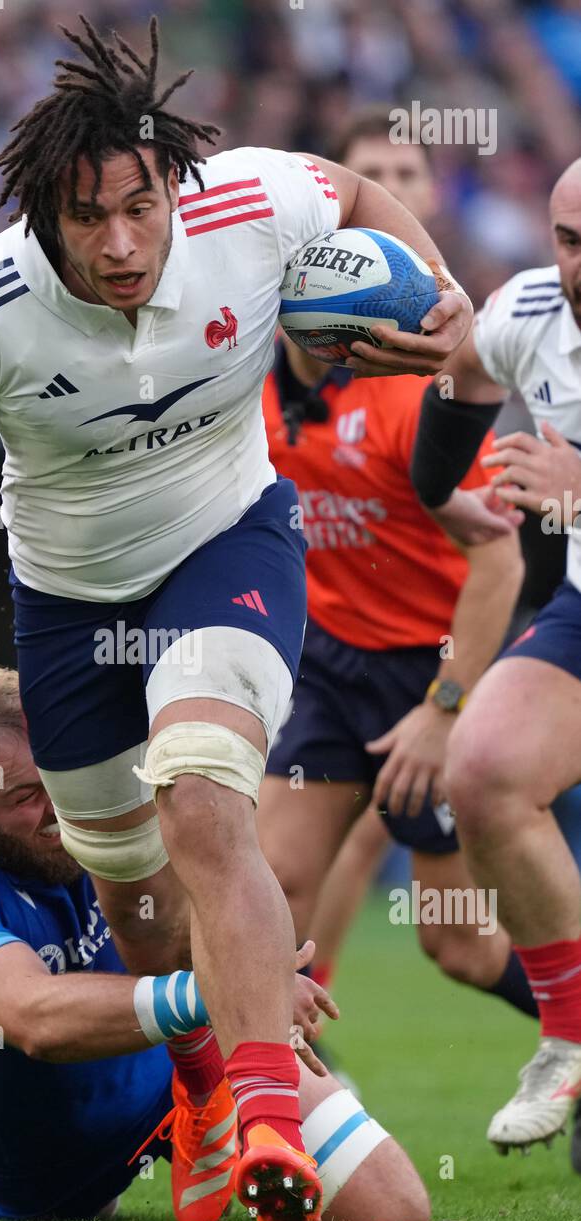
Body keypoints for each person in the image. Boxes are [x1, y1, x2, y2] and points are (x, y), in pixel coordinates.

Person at [0, 16, 472, 1221]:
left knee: (202, 802)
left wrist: (442, 286)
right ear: (46, 213)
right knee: (139, 910)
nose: (124, 241)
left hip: (228, 545)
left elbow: (351, 184)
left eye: (142, 206)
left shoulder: (246, 203)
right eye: (91, 219)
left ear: (173, 185)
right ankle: (201, 1098)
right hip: (71, 606)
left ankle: (264, 1126)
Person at [0, 667, 430, 1221]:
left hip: (180, 1054)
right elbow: (29, 1017)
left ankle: (209, 1103)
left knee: (395, 1210)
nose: (61, 807)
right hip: (51, 1169)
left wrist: (247, 975)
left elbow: (206, 903)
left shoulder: (105, 793)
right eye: (24, 796)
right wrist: (230, 989)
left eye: (60, 779)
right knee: (73, 1216)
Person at [257, 109, 533, 1031]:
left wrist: (444, 709)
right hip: (332, 663)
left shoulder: (429, 391)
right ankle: (265, 1108)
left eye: (403, 177)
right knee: (272, 881)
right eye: (365, 175)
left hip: (440, 665)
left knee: (456, 941)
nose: (382, 195)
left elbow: (499, 554)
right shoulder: (249, 376)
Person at [407, 158, 581, 1158]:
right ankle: (565, 1036)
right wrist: (439, 491)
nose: (578, 269)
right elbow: (466, 371)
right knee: (480, 771)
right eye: (567, 242)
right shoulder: (528, 310)